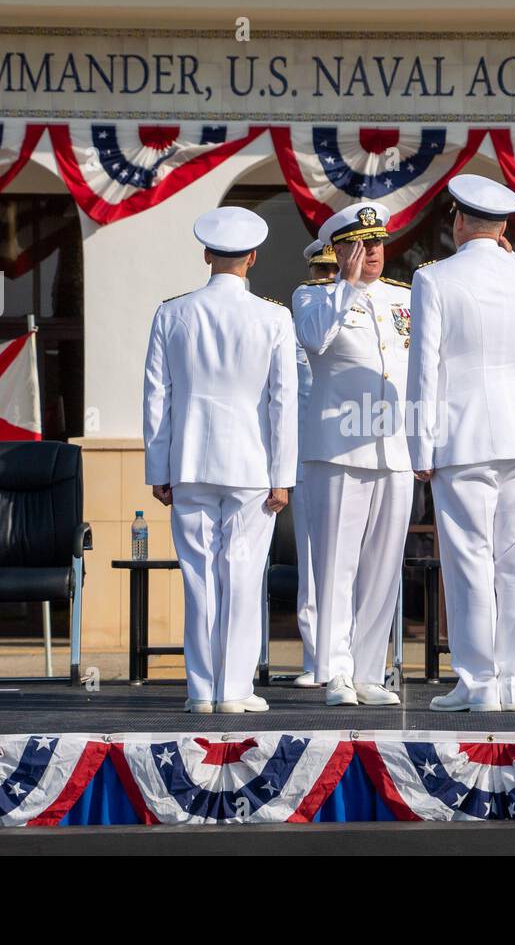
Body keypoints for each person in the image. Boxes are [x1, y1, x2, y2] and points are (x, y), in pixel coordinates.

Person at [407, 174, 515, 712]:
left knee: (469, 560)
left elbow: (423, 371)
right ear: (504, 227)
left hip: (464, 437)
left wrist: (420, 446)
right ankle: (513, 684)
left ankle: (479, 684)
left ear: (457, 222)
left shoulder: (433, 280)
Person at [143, 206, 297, 714]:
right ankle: (234, 689)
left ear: (206, 254)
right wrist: (283, 475)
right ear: (252, 258)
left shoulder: (173, 313)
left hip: (189, 461)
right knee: (244, 574)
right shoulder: (274, 316)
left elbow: (156, 398)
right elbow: (282, 402)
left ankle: (201, 689)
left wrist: (158, 468)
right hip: (252, 465)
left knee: (199, 575)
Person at [294, 202, 411, 707]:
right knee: (336, 566)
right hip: (339, 450)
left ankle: (368, 671)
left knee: (383, 568)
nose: (374, 254)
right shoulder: (312, 297)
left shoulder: (405, 298)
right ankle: (335, 671)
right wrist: (342, 283)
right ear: (338, 251)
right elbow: (314, 339)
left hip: (396, 446)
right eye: (362, 246)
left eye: (379, 244)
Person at [287, 240, 338, 688]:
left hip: (348, 448)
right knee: (310, 556)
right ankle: (315, 657)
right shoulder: (300, 313)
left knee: (352, 561)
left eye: (332, 273)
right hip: (305, 452)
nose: (326, 281)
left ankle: (354, 659)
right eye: (321, 273)